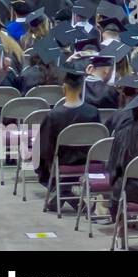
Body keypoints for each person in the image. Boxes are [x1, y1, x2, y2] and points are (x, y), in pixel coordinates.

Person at [34, 64, 101, 210]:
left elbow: (44, 148)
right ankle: (65, 192)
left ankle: (62, 191)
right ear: (82, 87)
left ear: (63, 88)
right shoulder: (93, 112)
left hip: (62, 162)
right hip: (87, 161)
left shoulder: (54, 115)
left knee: (39, 154)